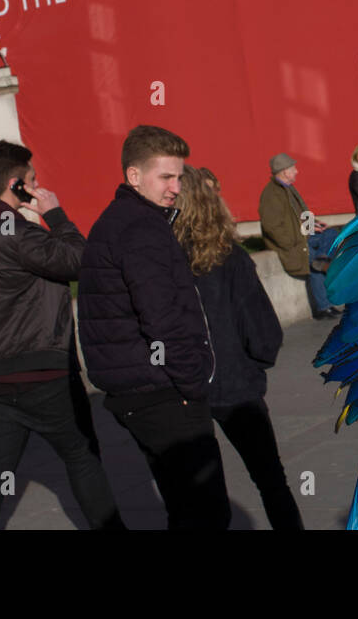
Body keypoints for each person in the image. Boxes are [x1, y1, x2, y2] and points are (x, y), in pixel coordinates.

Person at [0, 141, 124, 530]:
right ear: (17, 185)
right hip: (42, 373)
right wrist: (55, 214)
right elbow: (81, 260)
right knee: (81, 458)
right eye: (33, 180)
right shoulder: (15, 233)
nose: (39, 184)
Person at [78, 125, 230, 530]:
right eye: (165, 176)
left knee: (186, 509)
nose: (176, 187)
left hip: (141, 390)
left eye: (179, 176)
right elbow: (162, 318)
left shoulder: (119, 222)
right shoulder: (140, 228)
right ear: (133, 176)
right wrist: (192, 382)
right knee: (208, 513)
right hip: (162, 392)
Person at [173, 166, 304, 530]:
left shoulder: (163, 259)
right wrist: (255, 363)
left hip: (186, 389)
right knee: (270, 479)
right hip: (236, 385)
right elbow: (263, 332)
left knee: (199, 492)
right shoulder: (229, 257)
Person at [259, 153, 342, 320]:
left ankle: (323, 258)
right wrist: (294, 243)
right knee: (313, 263)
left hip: (304, 236)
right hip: (294, 243)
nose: (297, 171)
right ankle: (323, 307)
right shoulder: (271, 195)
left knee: (332, 234)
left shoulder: (288, 189)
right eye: (293, 169)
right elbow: (272, 227)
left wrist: (315, 226)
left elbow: (302, 214)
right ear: (284, 172)